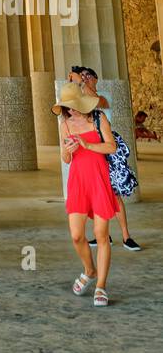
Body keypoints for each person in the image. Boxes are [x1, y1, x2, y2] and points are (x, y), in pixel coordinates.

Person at [56, 82, 118, 307]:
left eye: (73, 106)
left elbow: (111, 147)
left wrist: (87, 145)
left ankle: (101, 285)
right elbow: (65, 159)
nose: (70, 111)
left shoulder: (98, 118)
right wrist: (68, 150)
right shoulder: (65, 124)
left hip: (98, 178)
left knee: (101, 234)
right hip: (78, 181)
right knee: (76, 235)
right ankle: (89, 270)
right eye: (67, 107)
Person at [69, 66, 141, 251]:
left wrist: (80, 81)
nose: (84, 79)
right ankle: (104, 234)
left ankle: (126, 236)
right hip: (90, 152)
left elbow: (92, 102)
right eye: (82, 76)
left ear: (95, 79)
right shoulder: (81, 101)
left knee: (114, 194)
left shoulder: (102, 98)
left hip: (106, 150)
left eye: (87, 76)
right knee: (95, 193)